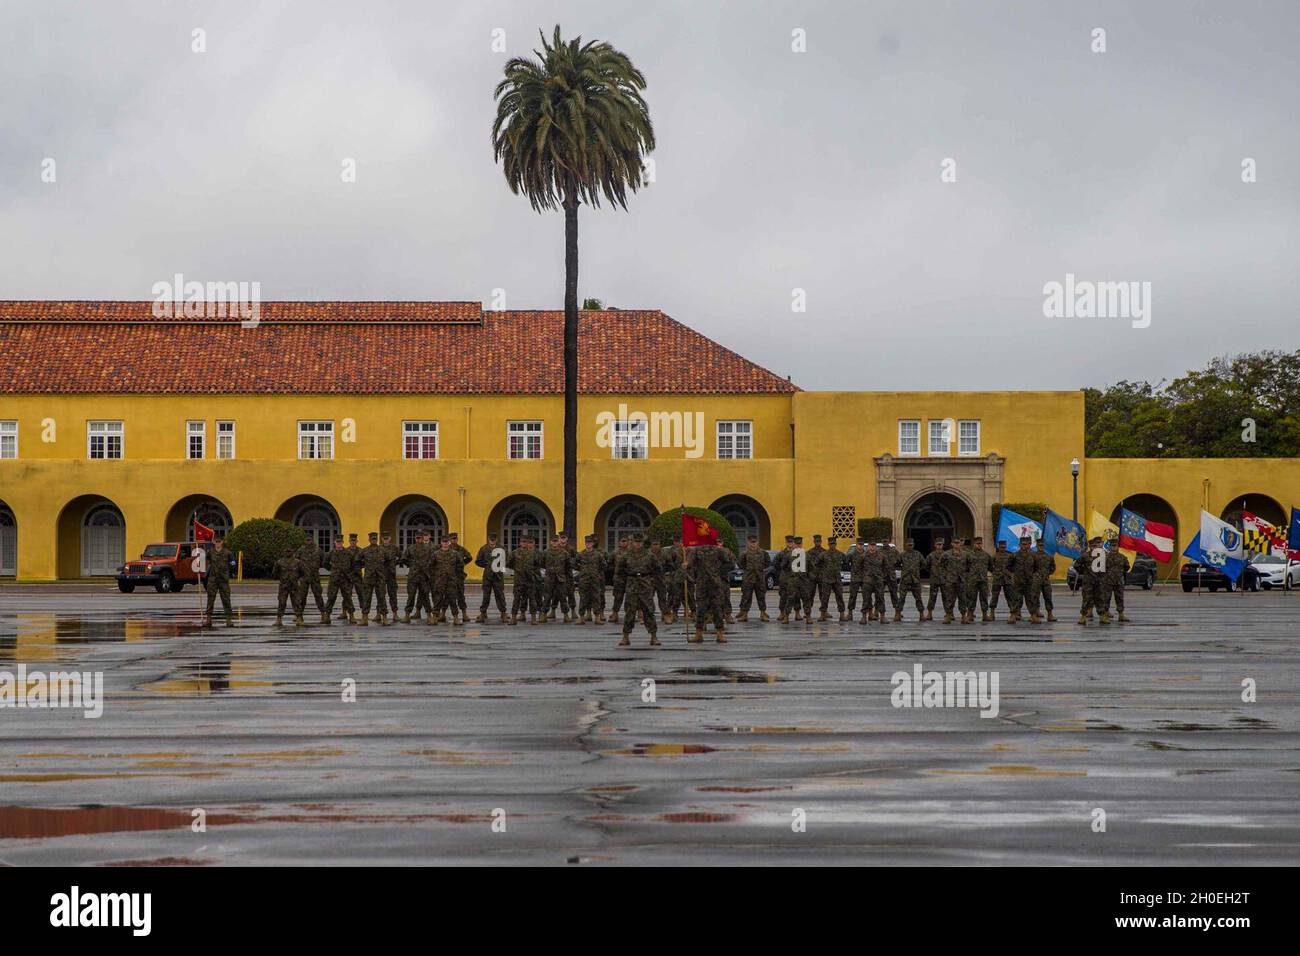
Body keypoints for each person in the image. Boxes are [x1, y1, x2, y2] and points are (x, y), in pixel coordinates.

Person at [618, 534, 661, 647]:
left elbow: (658, 569)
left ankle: (653, 636)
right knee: (629, 612)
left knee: (649, 611)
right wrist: (624, 582)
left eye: (640, 542)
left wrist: (651, 580)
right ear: (632, 542)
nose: (638, 544)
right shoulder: (626, 555)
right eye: (636, 542)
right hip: (631, 585)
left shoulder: (649, 555)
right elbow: (619, 571)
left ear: (643, 542)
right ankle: (625, 637)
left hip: (645, 585)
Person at [686, 537, 729, 643]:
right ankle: (698, 634)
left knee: (717, 609)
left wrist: (718, 573)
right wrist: (686, 565)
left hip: (715, 584)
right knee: (700, 609)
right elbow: (690, 564)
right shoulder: (696, 551)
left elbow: (728, 563)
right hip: (702, 584)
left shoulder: (718, 550)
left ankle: (720, 634)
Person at [508, 535, 544, 625]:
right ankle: (513, 617)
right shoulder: (515, 553)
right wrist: (517, 569)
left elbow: (537, 564)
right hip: (518, 580)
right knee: (516, 599)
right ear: (520, 543)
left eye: (526, 542)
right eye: (523, 542)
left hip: (530, 580)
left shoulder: (533, 553)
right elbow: (509, 563)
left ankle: (533, 618)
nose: (524, 544)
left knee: (532, 599)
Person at [202, 536, 236, 627]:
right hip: (213, 579)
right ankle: (208, 619)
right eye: (216, 541)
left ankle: (228, 620)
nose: (218, 543)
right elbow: (205, 560)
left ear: (222, 542)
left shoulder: (228, 553)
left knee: (226, 599)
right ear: (213, 542)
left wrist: (230, 573)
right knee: (210, 599)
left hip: (223, 579)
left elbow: (233, 564)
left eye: (219, 541)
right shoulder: (210, 552)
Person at [475, 532, 508, 623]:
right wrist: (487, 565)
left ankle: (503, 613)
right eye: (491, 539)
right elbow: (478, 561)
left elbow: (507, 559)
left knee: (500, 595)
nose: (492, 541)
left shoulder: (502, 549)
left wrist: (500, 567)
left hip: (498, 575)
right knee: (486, 595)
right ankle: (483, 613)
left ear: (496, 539)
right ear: (488, 539)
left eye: (493, 539)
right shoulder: (484, 549)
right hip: (487, 576)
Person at [358, 532, 390, 626]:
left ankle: (384, 617)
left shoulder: (382, 550)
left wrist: (383, 571)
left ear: (377, 539)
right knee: (366, 598)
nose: (374, 540)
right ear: (369, 539)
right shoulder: (364, 551)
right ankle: (364, 618)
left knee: (381, 598)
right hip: (368, 578)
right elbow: (357, 560)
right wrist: (365, 566)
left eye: (375, 538)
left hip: (380, 578)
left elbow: (389, 560)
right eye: (372, 539)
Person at [401, 530, 433, 623]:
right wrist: (411, 565)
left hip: (424, 576)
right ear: (415, 538)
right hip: (413, 576)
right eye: (417, 538)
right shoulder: (411, 548)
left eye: (420, 538)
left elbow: (432, 560)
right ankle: (407, 615)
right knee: (411, 596)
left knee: (425, 596)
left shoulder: (428, 549)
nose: (419, 539)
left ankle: (429, 615)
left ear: (423, 538)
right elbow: (404, 558)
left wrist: (428, 568)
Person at [1073, 537, 1106, 625]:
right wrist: (1083, 571)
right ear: (1089, 546)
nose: (1093, 547)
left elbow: (1108, 566)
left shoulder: (1102, 555)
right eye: (1092, 546)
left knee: (1100, 599)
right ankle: (1083, 616)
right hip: (1088, 582)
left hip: (1099, 581)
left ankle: (1102, 616)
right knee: (1086, 599)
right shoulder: (1085, 556)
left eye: (1095, 545)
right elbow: (1076, 565)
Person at [325, 534, 357, 624]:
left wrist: (349, 574)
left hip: (345, 579)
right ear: (334, 542)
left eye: (340, 542)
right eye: (337, 542)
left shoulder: (348, 553)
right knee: (331, 597)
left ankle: (351, 616)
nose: (339, 543)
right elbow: (325, 563)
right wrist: (332, 570)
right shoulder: (330, 553)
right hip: (334, 579)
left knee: (348, 597)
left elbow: (354, 565)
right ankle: (327, 616)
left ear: (343, 542)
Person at [736, 535, 770, 622]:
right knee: (746, 597)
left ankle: (763, 614)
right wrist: (748, 570)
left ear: (757, 542)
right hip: (748, 578)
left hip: (759, 578)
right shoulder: (744, 554)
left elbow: (767, 563)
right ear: (748, 543)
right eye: (751, 542)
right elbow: (740, 563)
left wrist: (760, 569)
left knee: (761, 597)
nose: (753, 544)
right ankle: (745, 614)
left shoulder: (763, 553)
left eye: (754, 542)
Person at [575, 535, 607, 624]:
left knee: (596, 597)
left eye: (590, 543)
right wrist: (582, 570)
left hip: (595, 579)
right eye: (587, 543)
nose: (588, 544)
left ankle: (597, 617)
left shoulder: (598, 555)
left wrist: (596, 572)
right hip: (584, 579)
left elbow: (604, 565)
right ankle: (581, 617)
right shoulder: (581, 554)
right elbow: (575, 564)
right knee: (583, 598)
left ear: (592, 544)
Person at [295, 535, 328, 624]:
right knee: (301, 597)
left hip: (315, 577)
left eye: (310, 540)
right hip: (304, 577)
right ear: (305, 541)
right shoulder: (301, 550)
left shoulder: (318, 550)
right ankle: (299, 615)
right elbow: (296, 562)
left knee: (318, 596)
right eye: (307, 540)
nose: (308, 542)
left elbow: (324, 561)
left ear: (312, 540)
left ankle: (323, 614)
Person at [1008, 536, 1041, 623]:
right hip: (1018, 582)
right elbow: (1008, 567)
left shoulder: (1033, 555)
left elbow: (1037, 567)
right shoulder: (1014, 555)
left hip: (1029, 582)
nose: (1025, 546)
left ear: (1029, 545)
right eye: (1023, 544)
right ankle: (1013, 615)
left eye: (1026, 544)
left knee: (1031, 599)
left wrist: (1032, 575)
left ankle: (1033, 616)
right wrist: (1013, 574)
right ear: (1019, 545)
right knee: (1015, 599)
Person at [542, 533, 573, 622]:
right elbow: (542, 563)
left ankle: (566, 615)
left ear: (558, 542)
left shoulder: (564, 553)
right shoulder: (546, 552)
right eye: (553, 541)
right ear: (550, 542)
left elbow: (568, 566)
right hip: (549, 578)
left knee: (563, 597)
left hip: (561, 578)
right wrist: (549, 570)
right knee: (547, 597)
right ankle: (544, 614)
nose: (555, 543)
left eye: (556, 541)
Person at [274, 546, 306, 627]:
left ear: (292, 553)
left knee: (296, 602)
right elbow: (275, 573)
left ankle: (299, 618)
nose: (288, 553)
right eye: (286, 552)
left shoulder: (297, 562)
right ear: (284, 553)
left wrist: (298, 580)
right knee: (282, 602)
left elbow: (303, 573)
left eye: (289, 551)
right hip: (284, 585)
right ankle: (279, 619)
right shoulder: (279, 562)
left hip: (294, 585)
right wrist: (282, 578)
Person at [818, 536, 847, 621]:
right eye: (830, 544)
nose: (832, 546)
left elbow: (846, 563)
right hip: (826, 579)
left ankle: (842, 614)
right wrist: (823, 572)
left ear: (836, 544)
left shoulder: (840, 554)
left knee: (839, 597)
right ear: (828, 544)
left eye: (833, 544)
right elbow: (817, 563)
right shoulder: (823, 554)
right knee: (824, 597)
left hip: (837, 579)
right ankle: (823, 614)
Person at [897, 538, 927, 621]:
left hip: (915, 580)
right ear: (905, 545)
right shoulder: (902, 554)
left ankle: (921, 614)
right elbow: (896, 564)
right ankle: (898, 614)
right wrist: (904, 569)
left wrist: (916, 569)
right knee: (901, 598)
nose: (910, 546)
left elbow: (924, 564)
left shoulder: (918, 554)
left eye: (911, 545)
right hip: (905, 579)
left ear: (913, 545)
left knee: (918, 598)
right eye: (908, 545)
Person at [1102, 541, 1131, 622]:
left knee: (1119, 598)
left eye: (1115, 546)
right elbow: (1101, 568)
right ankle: (1105, 614)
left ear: (1118, 547)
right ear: (1110, 547)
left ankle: (1121, 614)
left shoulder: (1122, 557)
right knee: (1106, 598)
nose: (1114, 548)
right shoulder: (1105, 557)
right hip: (1107, 581)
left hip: (1119, 581)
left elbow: (1127, 567)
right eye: (1112, 546)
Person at [967, 536, 993, 622]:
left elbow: (991, 567)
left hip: (983, 580)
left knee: (984, 597)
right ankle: (970, 614)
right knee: (971, 597)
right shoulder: (969, 555)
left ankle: (985, 615)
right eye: (977, 543)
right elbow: (964, 567)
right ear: (974, 544)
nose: (979, 545)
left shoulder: (986, 555)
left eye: (980, 543)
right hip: (972, 580)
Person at [861, 541, 888, 623]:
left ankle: (882, 616)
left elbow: (886, 567)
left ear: (876, 547)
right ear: (868, 546)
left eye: (874, 546)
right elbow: (858, 567)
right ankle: (864, 617)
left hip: (878, 581)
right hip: (867, 581)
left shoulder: (882, 556)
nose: (872, 547)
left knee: (880, 598)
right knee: (866, 599)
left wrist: (882, 576)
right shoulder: (863, 556)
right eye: (871, 546)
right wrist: (864, 576)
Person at [1032, 539, 1057, 622]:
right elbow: (1029, 567)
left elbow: (1053, 568)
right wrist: (1034, 575)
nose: (1041, 547)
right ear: (1037, 546)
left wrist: (1047, 574)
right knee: (1035, 597)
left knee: (1048, 597)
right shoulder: (1033, 556)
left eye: (1042, 545)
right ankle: (1034, 614)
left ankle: (1050, 614)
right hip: (1036, 580)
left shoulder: (1049, 557)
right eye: (1039, 545)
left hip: (1046, 580)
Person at [925, 538, 949, 622]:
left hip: (944, 579)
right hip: (934, 578)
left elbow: (949, 566)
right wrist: (933, 572)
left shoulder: (946, 555)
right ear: (935, 545)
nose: (939, 546)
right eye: (938, 544)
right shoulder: (931, 555)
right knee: (932, 597)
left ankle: (948, 613)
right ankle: (929, 613)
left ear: (943, 545)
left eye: (941, 544)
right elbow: (926, 566)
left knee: (946, 597)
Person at [989, 540, 1014, 621]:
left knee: (1010, 596)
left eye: (1004, 547)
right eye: (1001, 547)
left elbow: (1013, 566)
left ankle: (1013, 614)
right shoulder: (994, 556)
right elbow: (990, 566)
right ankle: (992, 613)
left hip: (1007, 579)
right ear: (998, 547)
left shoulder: (1009, 556)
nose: (1003, 548)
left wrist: (1010, 573)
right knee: (994, 597)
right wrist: (995, 573)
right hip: (997, 579)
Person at [608, 535, 630, 624]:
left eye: (625, 541)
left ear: (628, 542)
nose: (624, 543)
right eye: (622, 541)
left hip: (629, 578)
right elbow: (609, 563)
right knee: (617, 597)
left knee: (631, 598)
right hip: (619, 578)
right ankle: (615, 613)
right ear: (619, 542)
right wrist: (616, 570)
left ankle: (631, 614)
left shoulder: (631, 553)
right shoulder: (615, 553)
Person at [381, 532, 401, 622]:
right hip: (381, 574)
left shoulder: (394, 548)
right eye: (384, 538)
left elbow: (402, 557)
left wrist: (394, 563)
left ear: (390, 538)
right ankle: (379, 613)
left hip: (391, 574)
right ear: (382, 539)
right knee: (380, 594)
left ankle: (395, 614)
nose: (386, 539)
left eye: (387, 538)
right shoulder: (379, 548)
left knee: (393, 594)